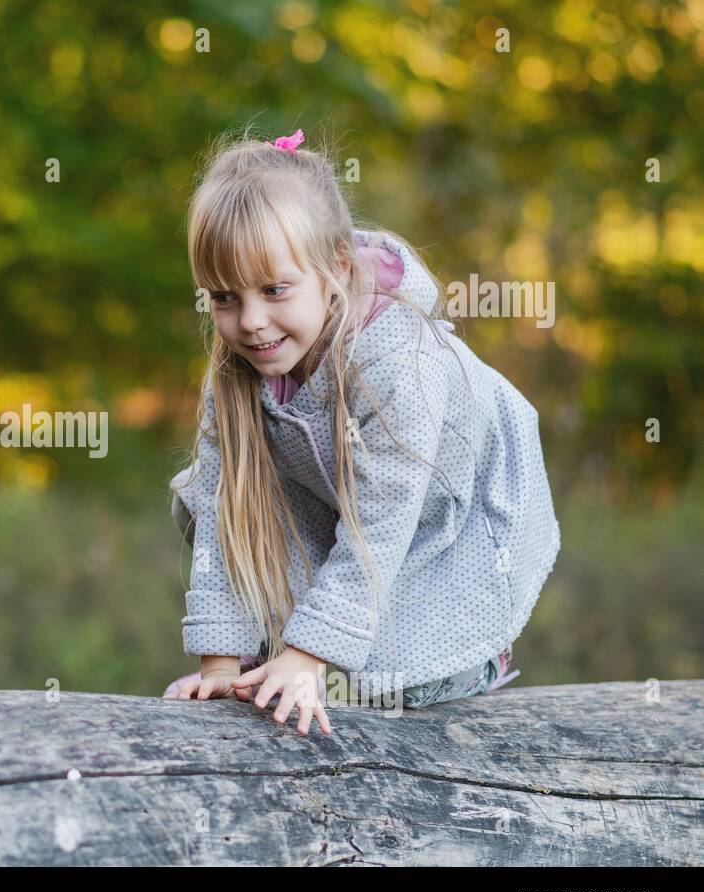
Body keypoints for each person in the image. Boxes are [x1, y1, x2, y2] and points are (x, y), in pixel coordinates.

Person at [162, 125, 559, 735]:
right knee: (197, 500)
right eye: (223, 297)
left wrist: (310, 654)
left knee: (382, 685)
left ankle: (472, 662)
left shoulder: (395, 361)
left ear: (336, 270)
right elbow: (224, 506)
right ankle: (278, 659)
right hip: (335, 492)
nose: (250, 322)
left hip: (446, 510)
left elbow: (378, 526)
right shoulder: (240, 360)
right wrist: (220, 660)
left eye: (274, 290)